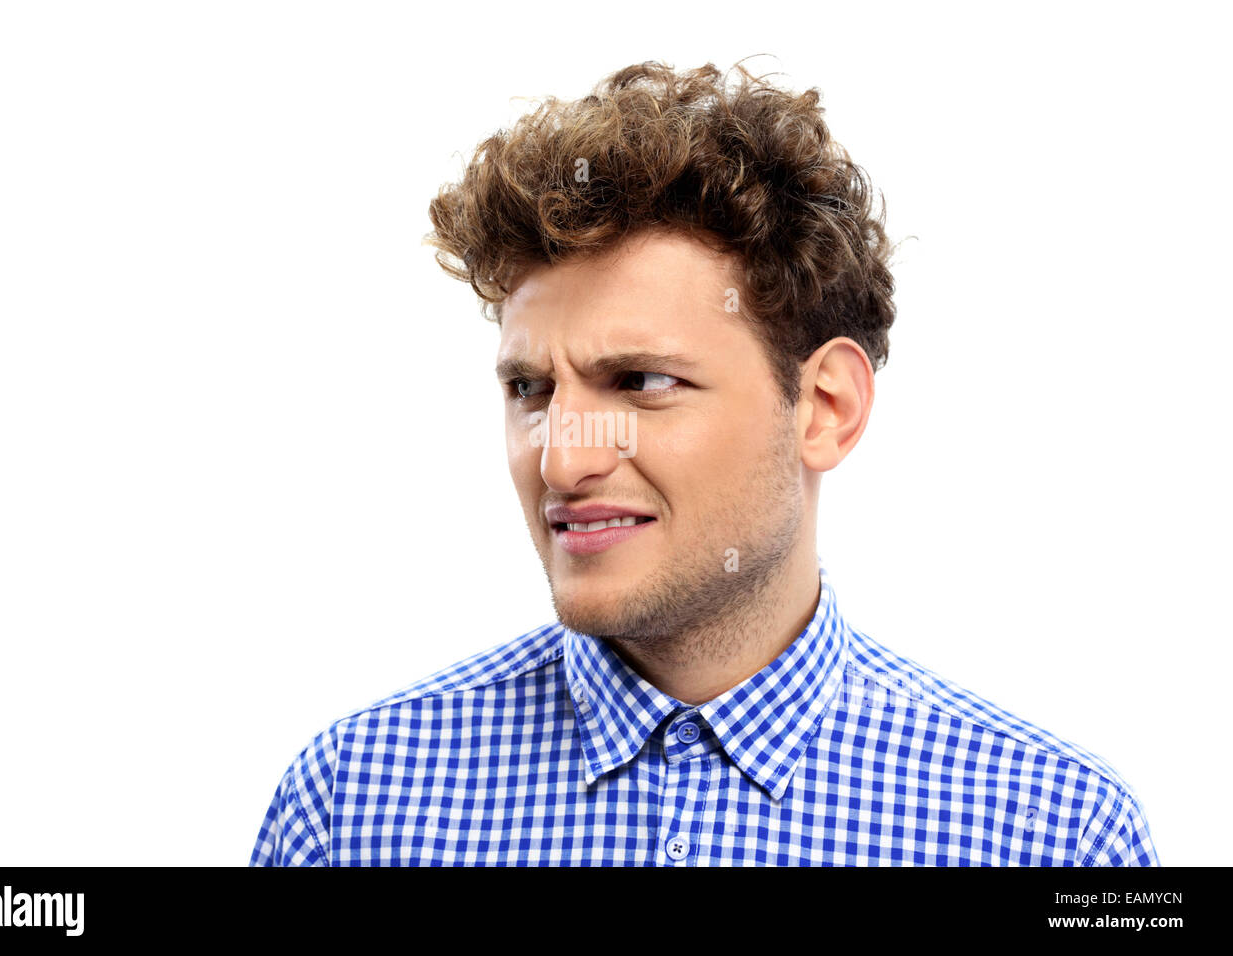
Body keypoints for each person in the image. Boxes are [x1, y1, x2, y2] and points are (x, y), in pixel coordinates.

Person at [249, 59, 1157, 866]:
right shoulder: (352, 808)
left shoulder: (1054, 834)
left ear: (826, 409)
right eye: (530, 389)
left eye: (641, 380)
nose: (563, 461)